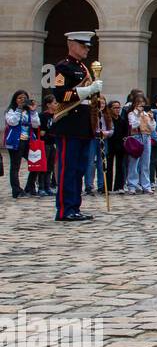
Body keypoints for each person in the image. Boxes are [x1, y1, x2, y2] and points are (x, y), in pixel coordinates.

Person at [47, 31, 101, 222]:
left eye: (87, 46)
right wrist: (87, 90)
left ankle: (74, 207)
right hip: (69, 125)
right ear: (71, 44)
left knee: (79, 169)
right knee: (68, 169)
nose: (87, 49)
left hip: (83, 125)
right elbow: (61, 95)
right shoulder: (62, 67)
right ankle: (64, 210)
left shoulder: (83, 68)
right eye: (83, 45)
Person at [5, 90, 40, 198]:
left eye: (24, 98)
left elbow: (36, 124)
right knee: (15, 166)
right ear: (15, 100)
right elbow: (12, 122)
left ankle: (29, 187)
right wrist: (19, 109)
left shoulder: (29, 111)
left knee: (36, 163)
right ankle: (16, 190)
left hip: (28, 141)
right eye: (19, 98)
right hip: (16, 142)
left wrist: (33, 111)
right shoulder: (11, 111)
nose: (22, 100)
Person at [124, 93, 154, 194]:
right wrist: (138, 115)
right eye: (139, 103)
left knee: (146, 163)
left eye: (142, 103)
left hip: (146, 137)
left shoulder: (147, 114)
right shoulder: (132, 114)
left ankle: (146, 185)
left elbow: (152, 128)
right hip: (136, 137)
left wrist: (151, 119)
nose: (141, 105)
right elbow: (133, 125)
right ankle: (132, 185)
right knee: (134, 162)